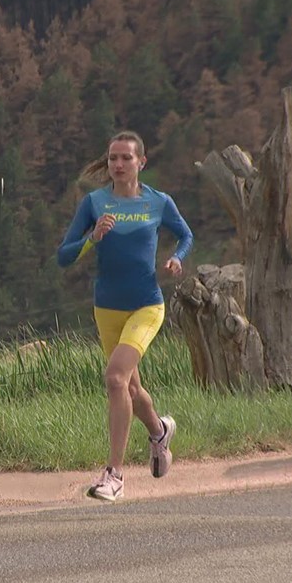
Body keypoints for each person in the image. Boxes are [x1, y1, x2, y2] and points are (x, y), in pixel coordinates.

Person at [56, 130, 193, 502]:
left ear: (141, 163)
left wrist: (177, 258)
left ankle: (114, 475)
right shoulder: (94, 203)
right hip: (107, 307)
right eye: (113, 158)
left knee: (115, 378)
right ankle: (160, 430)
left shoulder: (158, 202)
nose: (118, 164)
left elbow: (185, 235)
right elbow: (64, 256)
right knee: (130, 388)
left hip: (147, 305)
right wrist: (92, 238)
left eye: (126, 158)